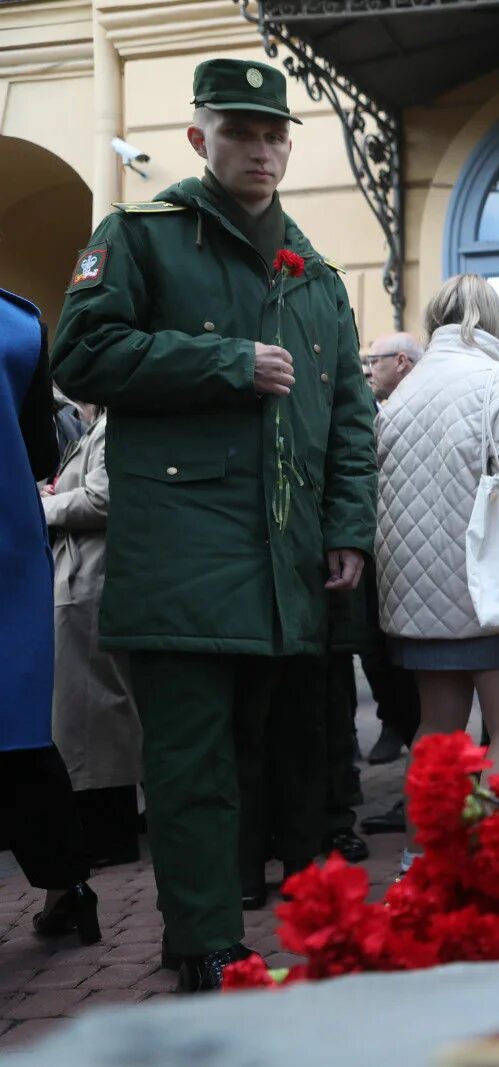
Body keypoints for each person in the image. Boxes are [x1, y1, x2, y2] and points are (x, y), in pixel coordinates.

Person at [51, 59, 377, 990]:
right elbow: (81, 353)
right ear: (201, 139)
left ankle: (222, 923)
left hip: (288, 559)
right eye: (240, 131)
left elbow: (352, 413)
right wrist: (222, 361)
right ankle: (202, 942)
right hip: (182, 548)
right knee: (192, 758)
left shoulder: (313, 273)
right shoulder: (143, 238)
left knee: (274, 756)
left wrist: (347, 527)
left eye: (275, 134)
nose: (262, 150)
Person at [376, 274, 499, 870]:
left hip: (415, 588)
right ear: (494, 321)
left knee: (438, 729)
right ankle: (497, 860)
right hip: (489, 580)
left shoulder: (404, 388)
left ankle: (422, 856)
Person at [2, 285, 99, 947]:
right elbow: (41, 454)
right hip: (8, 551)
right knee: (19, 730)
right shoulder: (19, 321)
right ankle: (70, 890)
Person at [41, 401, 143, 867]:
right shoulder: (98, 425)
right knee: (86, 714)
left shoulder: (109, 426)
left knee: (94, 713)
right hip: (83, 576)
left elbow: (103, 499)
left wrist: (44, 505)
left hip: (92, 577)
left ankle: (110, 833)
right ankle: (105, 828)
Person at [361, 332, 425, 770]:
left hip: (413, 564)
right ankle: (396, 727)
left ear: (401, 361)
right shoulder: (369, 411)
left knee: (418, 677)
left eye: (374, 361)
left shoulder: (423, 410)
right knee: (377, 657)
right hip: (373, 556)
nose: (368, 369)